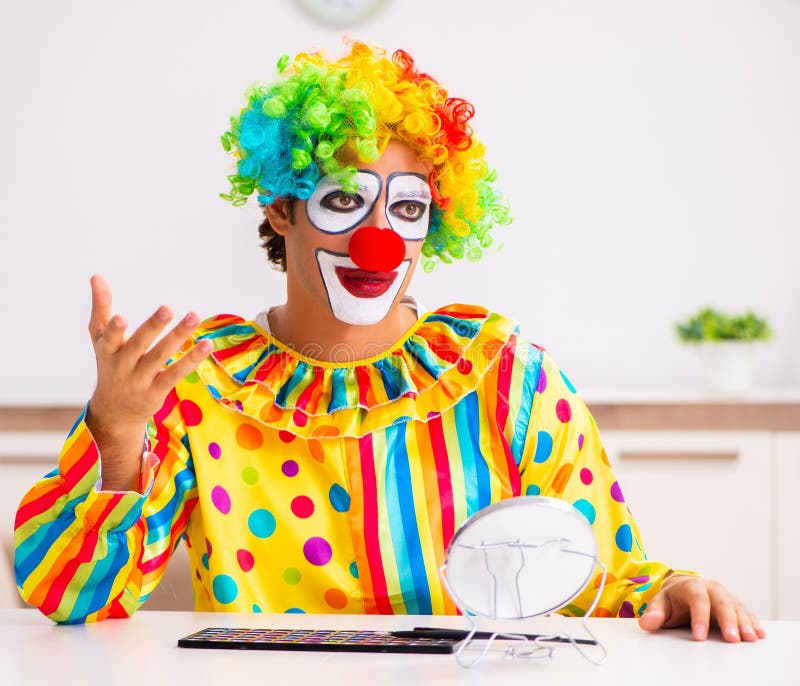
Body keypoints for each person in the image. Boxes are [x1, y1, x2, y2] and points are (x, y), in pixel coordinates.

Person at [14, 42, 763, 642]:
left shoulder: (506, 381)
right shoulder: (195, 385)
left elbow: (599, 573)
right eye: (343, 200)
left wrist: (674, 588)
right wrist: (117, 434)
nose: (378, 242)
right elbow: (65, 598)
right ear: (281, 210)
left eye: (407, 208)